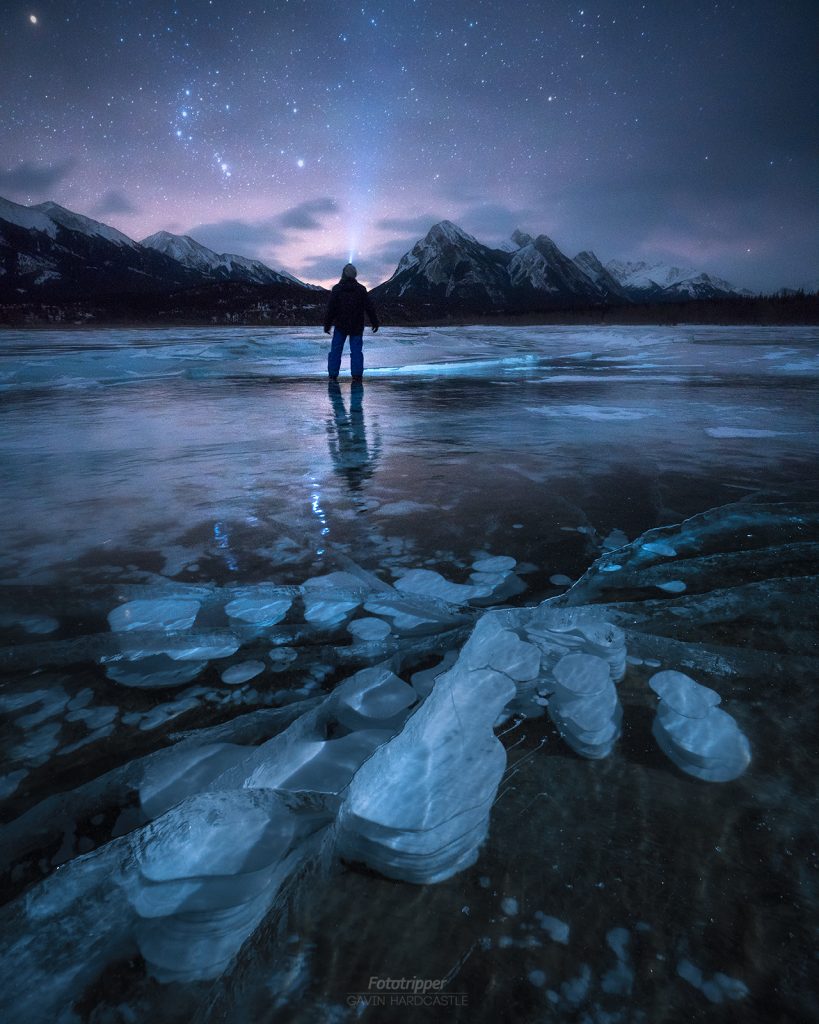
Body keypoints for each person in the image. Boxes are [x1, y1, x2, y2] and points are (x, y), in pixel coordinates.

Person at [323, 263, 379, 381]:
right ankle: (357, 375)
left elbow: (331, 308)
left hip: (340, 325)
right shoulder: (361, 289)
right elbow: (369, 307)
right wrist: (374, 321)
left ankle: (333, 375)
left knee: (336, 351)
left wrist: (327, 325)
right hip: (357, 326)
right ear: (355, 275)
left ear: (343, 274)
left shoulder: (337, 289)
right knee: (356, 351)